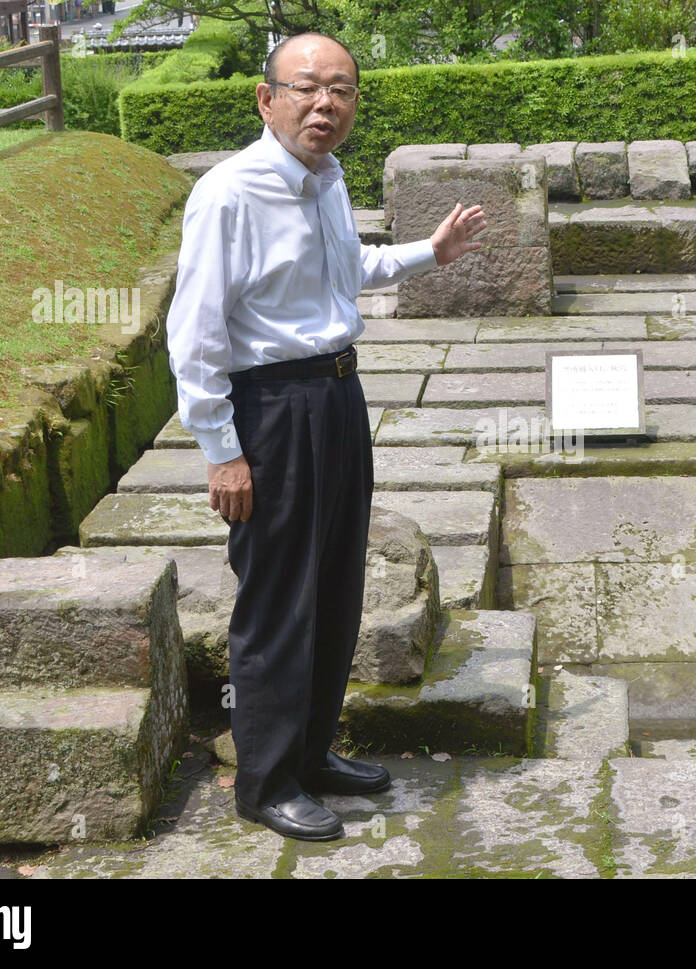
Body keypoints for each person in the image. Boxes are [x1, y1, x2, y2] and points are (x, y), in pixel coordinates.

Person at [165, 31, 487, 842]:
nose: (326, 104)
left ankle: (312, 752)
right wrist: (221, 447)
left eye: (341, 90)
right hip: (270, 410)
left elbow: (347, 272)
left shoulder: (326, 179)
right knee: (277, 598)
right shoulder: (229, 194)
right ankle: (265, 779)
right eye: (307, 87)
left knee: (337, 586)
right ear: (266, 99)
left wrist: (430, 253)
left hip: (339, 396)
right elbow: (194, 332)